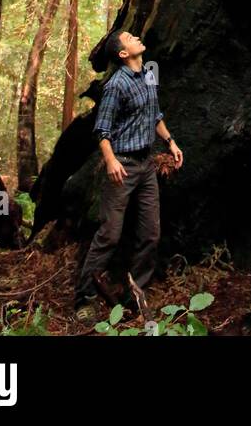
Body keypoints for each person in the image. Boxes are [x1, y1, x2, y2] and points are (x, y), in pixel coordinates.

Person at [74, 29, 183, 322]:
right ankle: (83, 298)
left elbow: (154, 115)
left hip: (146, 165)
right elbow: (101, 130)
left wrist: (170, 142)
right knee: (109, 234)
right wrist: (110, 161)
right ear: (123, 54)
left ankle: (134, 295)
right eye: (130, 38)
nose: (136, 38)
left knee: (150, 233)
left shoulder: (148, 74)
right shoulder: (115, 86)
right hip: (122, 166)